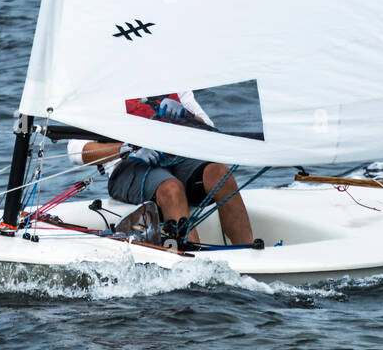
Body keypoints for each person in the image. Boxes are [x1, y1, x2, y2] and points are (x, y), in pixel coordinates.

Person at [67, 91, 254, 246]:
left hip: (176, 156)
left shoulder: (168, 76)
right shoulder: (103, 89)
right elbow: (75, 151)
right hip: (127, 165)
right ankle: (195, 266)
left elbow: (209, 129)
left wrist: (186, 117)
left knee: (220, 175)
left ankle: (250, 254)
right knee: (171, 189)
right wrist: (125, 150)